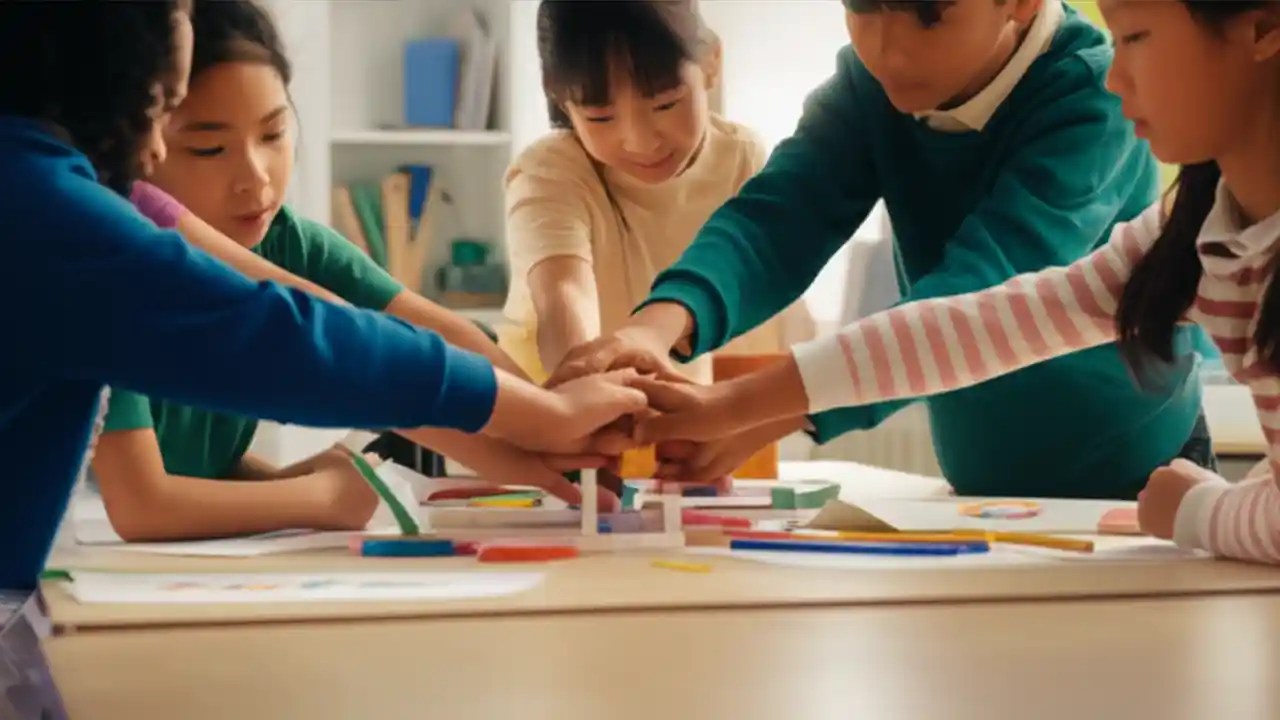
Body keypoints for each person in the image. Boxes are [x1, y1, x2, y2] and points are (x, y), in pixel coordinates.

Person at [0, 0, 641, 588]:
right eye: (158, 110)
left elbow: (306, 311)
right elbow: (282, 335)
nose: (156, 147)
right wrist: (540, 419)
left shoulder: (53, 192)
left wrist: (534, 432)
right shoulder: (44, 210)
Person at [634, 0, 1280, 563]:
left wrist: (1202, 514)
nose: (1117, 74)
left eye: (1135, 38)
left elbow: (980, 287)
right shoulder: (1191, 230)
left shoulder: (1084, 98)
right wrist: (683, 349)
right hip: (1005, 486)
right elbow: (986, 323)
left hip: (1139, 473)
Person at [499, 0, 807, 385]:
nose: (641, 141)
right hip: (545, 406)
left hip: (673, 408)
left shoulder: (740, 158)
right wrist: (584, 385)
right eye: (601, 117)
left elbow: (761, 298)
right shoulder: (549, 170)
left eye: (666, 104)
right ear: (560, 97)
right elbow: (563, 289)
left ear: (711, 62)